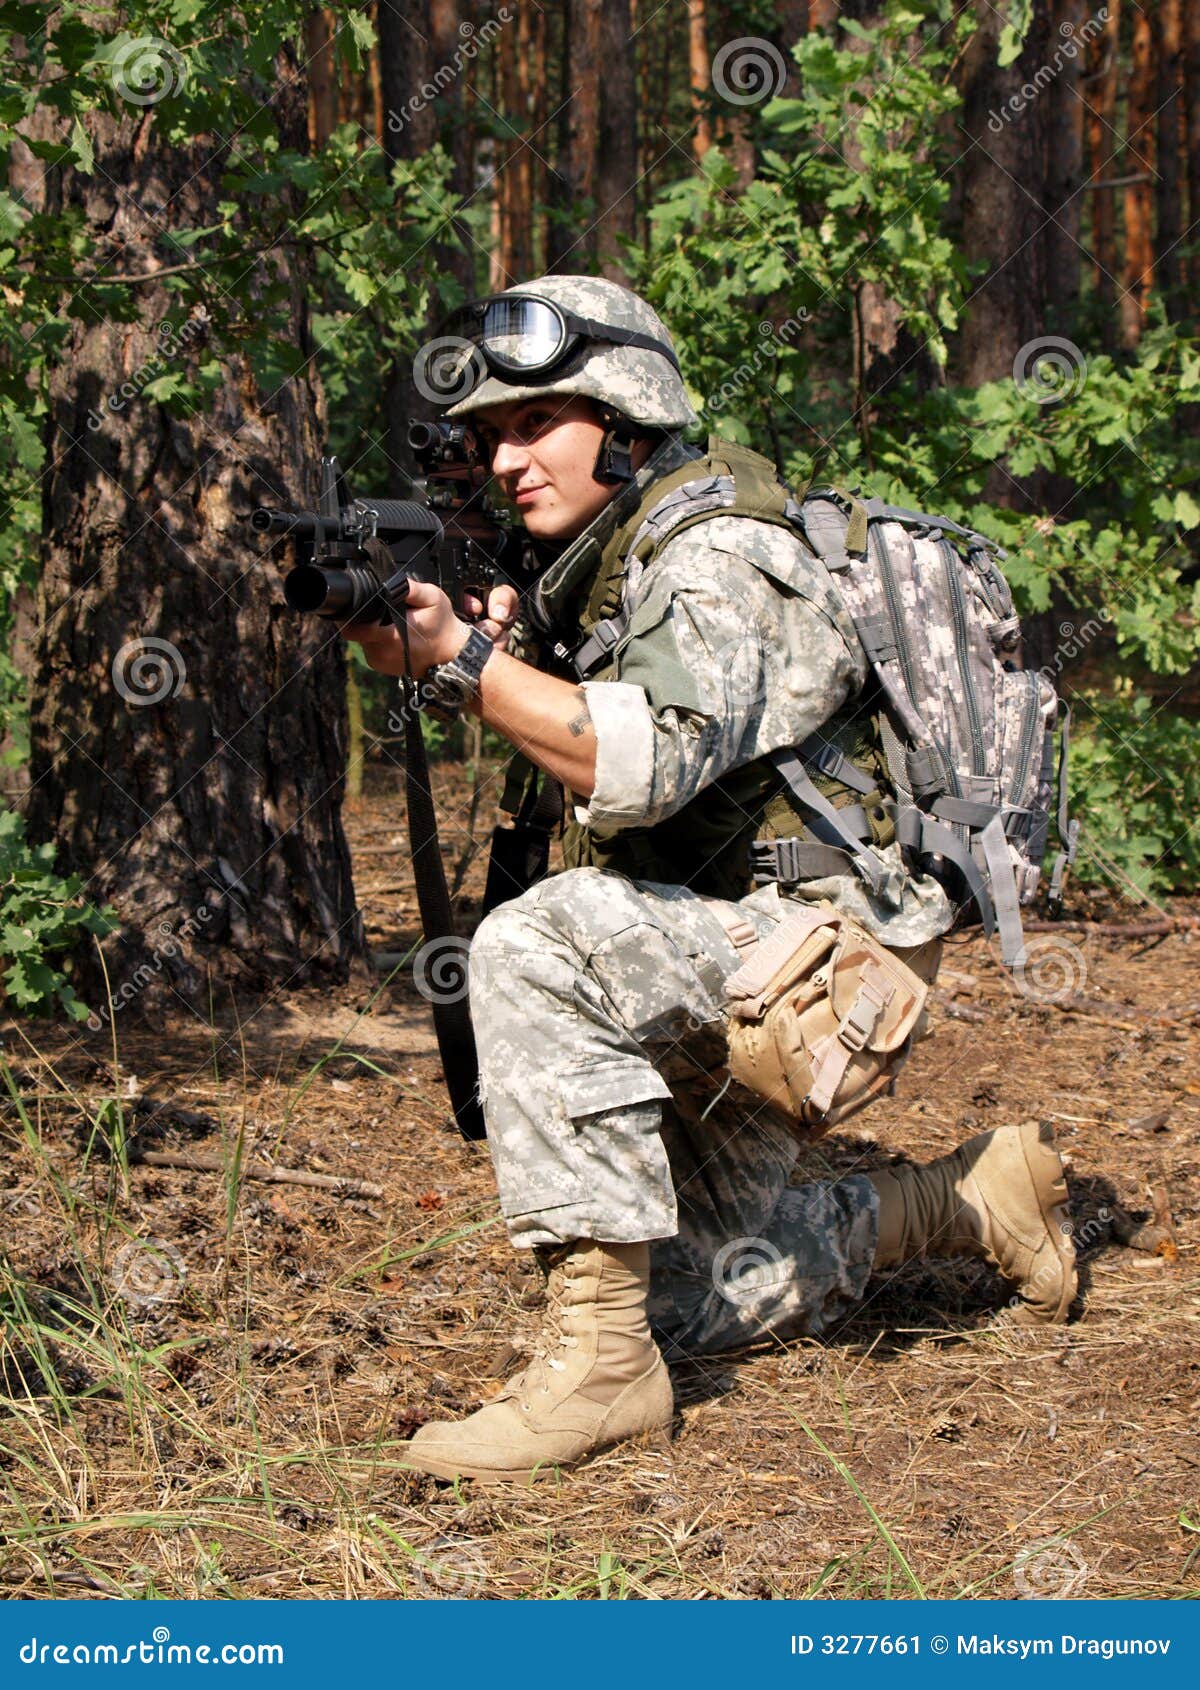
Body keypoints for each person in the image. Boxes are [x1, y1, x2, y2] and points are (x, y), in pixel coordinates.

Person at [343, 276, 1077, 1485]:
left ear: (628, 419)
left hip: (822, 961)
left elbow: (637, 755)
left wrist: (463, 659)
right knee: (685, 1300)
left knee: (537, 939)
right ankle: (963, 1199)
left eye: (539, 424)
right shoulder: (604, 566)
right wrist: (431, 645)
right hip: (740, 944)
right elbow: (570, 724)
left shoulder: (723, 556)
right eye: (491, 439)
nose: (510, 459)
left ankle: (596, 1377)